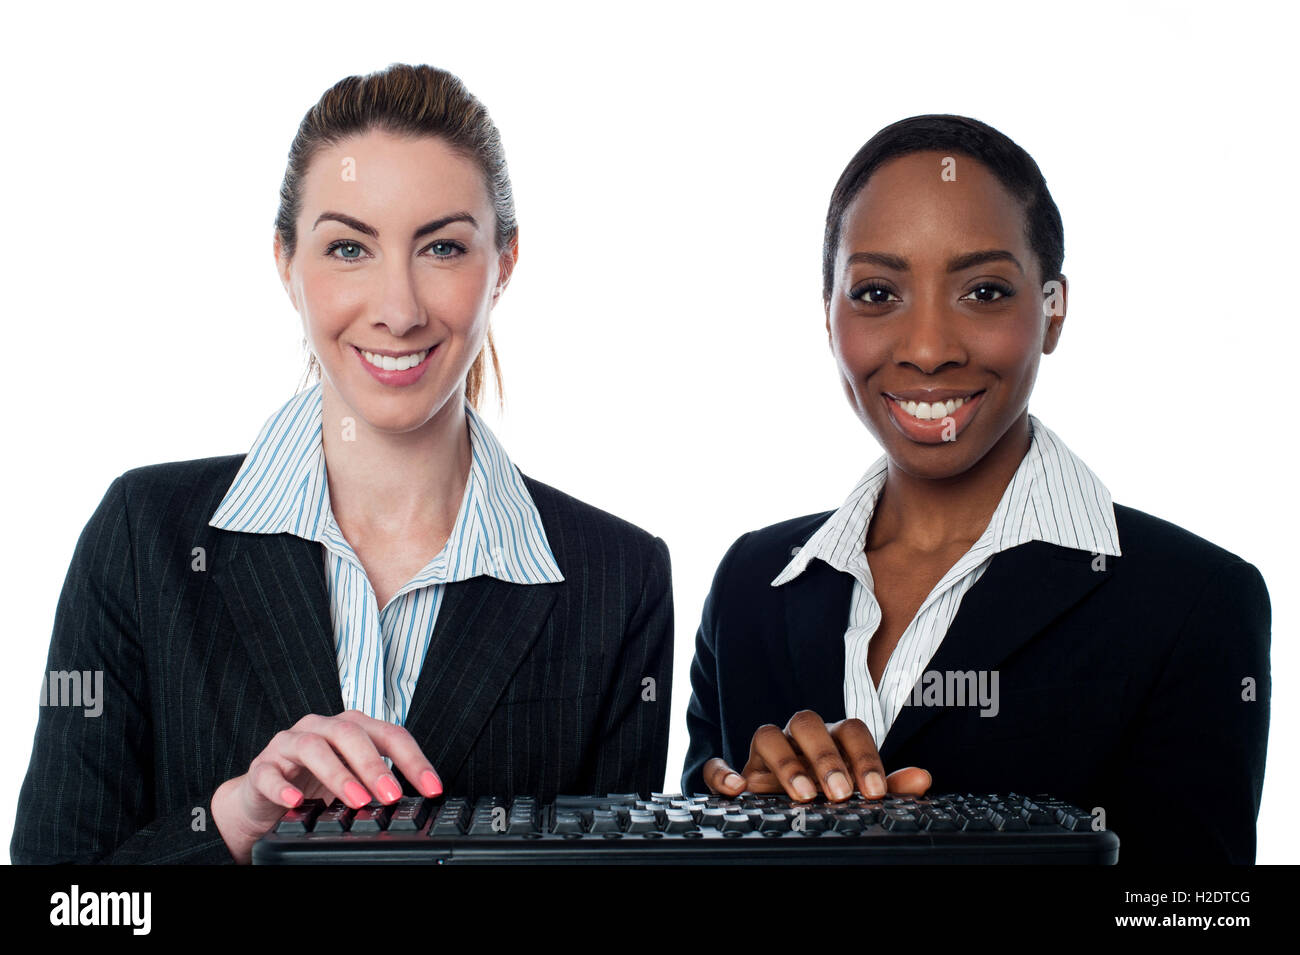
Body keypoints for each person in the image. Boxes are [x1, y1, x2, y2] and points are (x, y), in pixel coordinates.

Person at [12, 63, 673, 865]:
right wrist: (231, 821)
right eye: (349, 247)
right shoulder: (142, 538)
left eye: (442, 246)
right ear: (286, 261)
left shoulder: (617, 580)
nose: (397, 309)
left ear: (503, 263)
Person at [682, 114, 1271, 864]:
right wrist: (759, 827)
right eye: (876, 292)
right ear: (827, 317)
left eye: (985, 290)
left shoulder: (1194, 601)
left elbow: (1194, 915)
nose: (929, 348)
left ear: (1054, 310)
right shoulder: (750, 586)